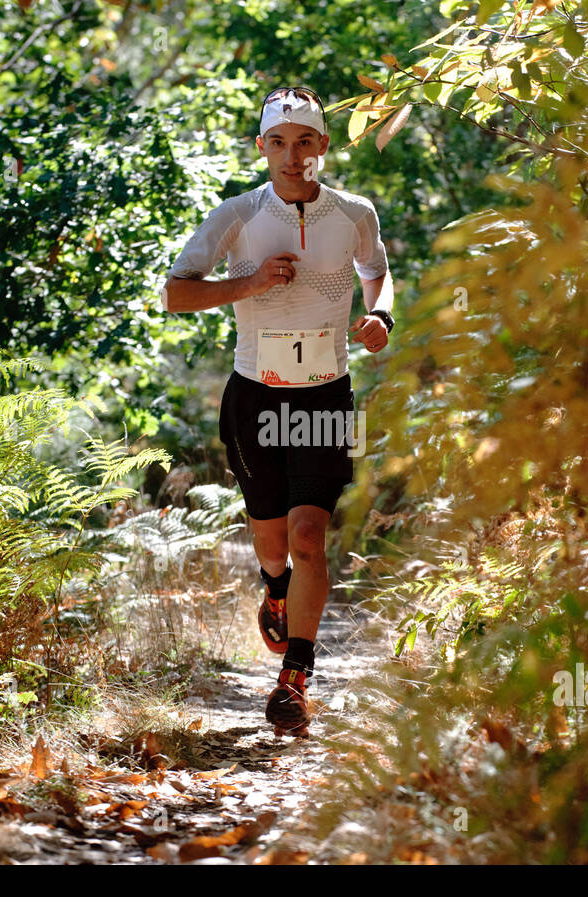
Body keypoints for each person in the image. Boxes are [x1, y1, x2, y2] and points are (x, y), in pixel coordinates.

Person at [159, 86, 395, 738]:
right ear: (261, 147)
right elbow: (176, 294)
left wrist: (380, 315)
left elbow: (377, 270)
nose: (293, 156)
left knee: (308, 535)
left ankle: (295, 676)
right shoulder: (237, 215)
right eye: (278, 142)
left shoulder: (353, 213)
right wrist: (252, 283)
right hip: (255, 396)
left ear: (323, 146)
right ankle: (274, 590)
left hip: (324, 392)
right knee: (271, 542)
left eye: (305, 142)